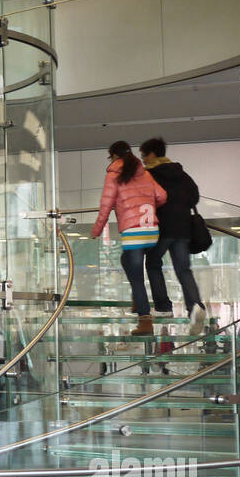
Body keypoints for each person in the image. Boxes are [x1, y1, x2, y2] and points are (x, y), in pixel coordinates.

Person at [90, 140, 167, 336]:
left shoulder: (114, 175)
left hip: (133, 233)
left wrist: (97, 230)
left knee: (137, 279)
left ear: (114, 156)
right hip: (152, 230)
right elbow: (162, 196)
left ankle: (145, 321)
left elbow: (106, 205)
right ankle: (138, 299)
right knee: (126, 260)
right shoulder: (145, 173)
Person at [139, 137, 209, 337]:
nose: (143, 159)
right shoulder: (180, 173)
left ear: (152, 154)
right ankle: (195, 307)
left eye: (144, 155)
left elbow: (144, 199)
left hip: (161, 228)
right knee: (184, 270)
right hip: (183, 228)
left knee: (152, 263)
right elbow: (194, 196)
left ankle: (163, 306)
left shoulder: (148, 174)